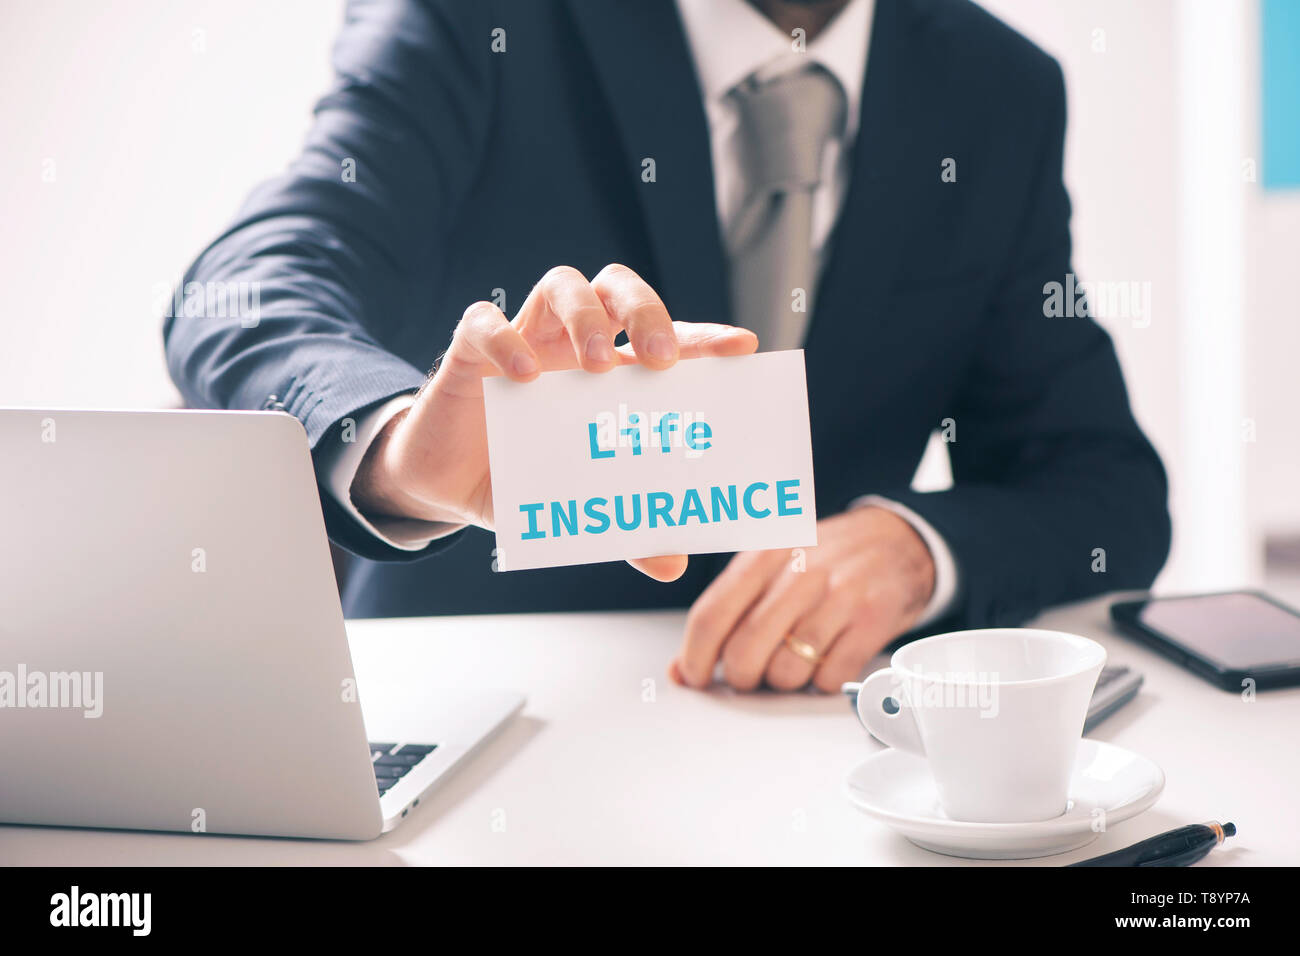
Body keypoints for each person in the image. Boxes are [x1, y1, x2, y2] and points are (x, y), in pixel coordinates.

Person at [164, 0, 1170, 693]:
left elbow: (1102, 485)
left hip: (816, 745)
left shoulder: (997, 92)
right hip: (483, 732)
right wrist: (393, 445)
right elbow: (241, 284)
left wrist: (919, 548)